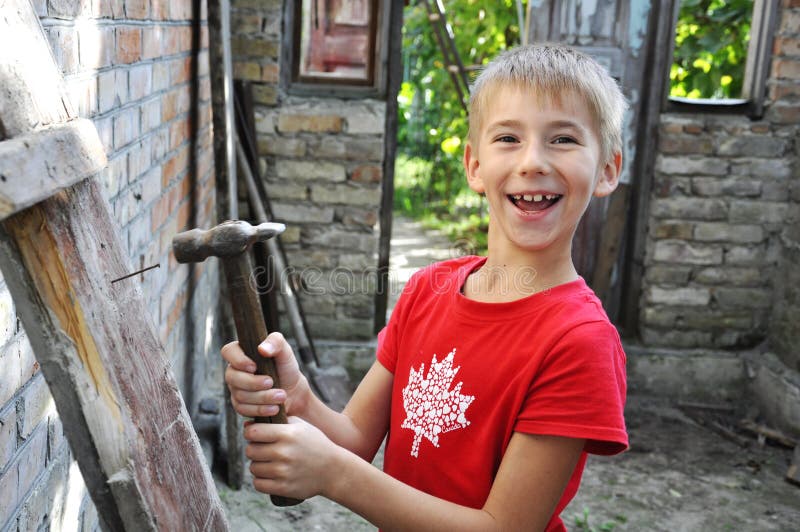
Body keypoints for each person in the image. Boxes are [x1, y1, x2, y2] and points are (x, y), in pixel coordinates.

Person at [222, 43, 628, 531]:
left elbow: (502, 527)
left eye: (563, 139)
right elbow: (353, 439)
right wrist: (298, 397)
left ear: (608, 169)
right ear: (474, 166)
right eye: (508, 138)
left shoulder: (579, 341)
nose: (533, 161)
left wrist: (333, 474)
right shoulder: (427, 290)